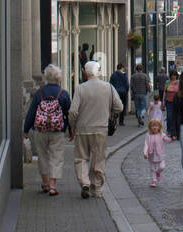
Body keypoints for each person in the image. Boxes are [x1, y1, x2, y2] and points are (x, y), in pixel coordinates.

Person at [68, 60, 122, 198]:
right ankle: (96, 188)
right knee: (98, 159)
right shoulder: (108, 87)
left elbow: (73, 111)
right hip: (101, 129)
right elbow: (119, 107)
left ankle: (84, 182)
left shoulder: (80, 88)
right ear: (99, 71)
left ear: (85, 72)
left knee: (81, 157)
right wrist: (109, 113)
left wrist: (72, 126)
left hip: (82, 128)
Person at [24, 64, 71, 196]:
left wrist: (26, 130)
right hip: (58, 131)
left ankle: (44, 183)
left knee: (42, 155)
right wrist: (71, 130)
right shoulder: (63, 94)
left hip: (40, 130)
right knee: (56, 157)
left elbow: (31, 112)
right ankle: (52, 185)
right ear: (58, 78)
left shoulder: (39, 92)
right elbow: (69, 113)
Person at [143, 118, 167, 187]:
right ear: (150, 127)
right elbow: (146, 144)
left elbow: (167, 140)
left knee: (162, 167)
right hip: (151, 155)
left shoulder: (161, 135)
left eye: (156, 126)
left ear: (159, 127)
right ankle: (154, 181)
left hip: (160, 155)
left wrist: (172, 137)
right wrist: (145, 152)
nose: (154, 127)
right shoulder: (148, 135)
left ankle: (158, 172)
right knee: (152, 168)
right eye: (153, 126)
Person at [110, 63, 131, 130]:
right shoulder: (124, 74)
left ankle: (115, 118)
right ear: (122, 68)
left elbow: (111, 84)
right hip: (123, 92)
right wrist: (126, 91)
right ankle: (121, 121)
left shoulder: (113, 74)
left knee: (115, 105)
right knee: (123, 106)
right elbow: (127, 84)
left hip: (116, 92)